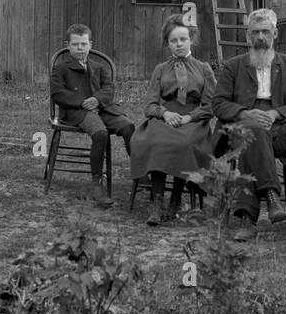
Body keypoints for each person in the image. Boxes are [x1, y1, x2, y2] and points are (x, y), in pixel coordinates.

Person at [212, 8, 286, 242]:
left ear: (275, 33)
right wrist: (245, 113)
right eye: (255, 32)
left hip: (280, 128)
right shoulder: (233, 65)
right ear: (248, 35)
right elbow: (219, 104)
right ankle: (271, 196)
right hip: (239, 126)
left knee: (252, 137)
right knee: (251, 132)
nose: (260, 37)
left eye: (265, 32)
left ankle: (247, 219)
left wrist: (275, 113)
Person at [131, 16, 217, 226]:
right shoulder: (160, 69)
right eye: (173, 41)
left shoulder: (203, 68)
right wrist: (165, 114)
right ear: (167, 43)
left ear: (191, 40)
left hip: (193, 121)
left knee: (184, 143)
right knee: (156, 141)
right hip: (165, 118)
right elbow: (149, 105)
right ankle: (157, 202)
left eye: (183, 39)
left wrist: (190, 117)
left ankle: (176, 198)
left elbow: (211, 106)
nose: (178, 44)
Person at [50, 24, 133, 209]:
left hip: (103, 108)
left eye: (84, 44)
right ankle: (97, 184)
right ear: (68, 45)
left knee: (128, 126)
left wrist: (97, 99)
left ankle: (139, 172)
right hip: (75, 112)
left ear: (90, 44)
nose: (80, 48)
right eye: (75, 44)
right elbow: (57, 94)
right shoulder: (61, 68)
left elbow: (109, 88)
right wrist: (83, 101)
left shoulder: (99, 67)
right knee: (100, 133)